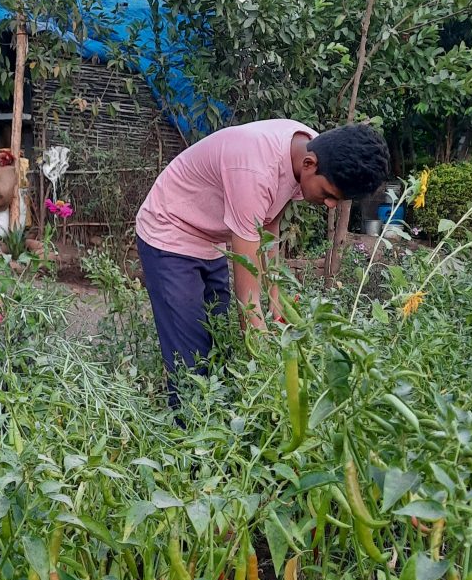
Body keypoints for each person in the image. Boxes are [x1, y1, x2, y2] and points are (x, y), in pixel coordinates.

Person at [135, 119, 390, 402]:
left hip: (211, 235)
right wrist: (266, 363)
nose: (330, 204)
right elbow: (249, 302)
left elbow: (269, 224)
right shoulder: (254, 169)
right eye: (329, 195)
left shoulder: (314, 147)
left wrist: (276, 299)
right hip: (170, 230)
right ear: (309, 164)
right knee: (191, 359)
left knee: (218, 340)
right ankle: (184, 433)